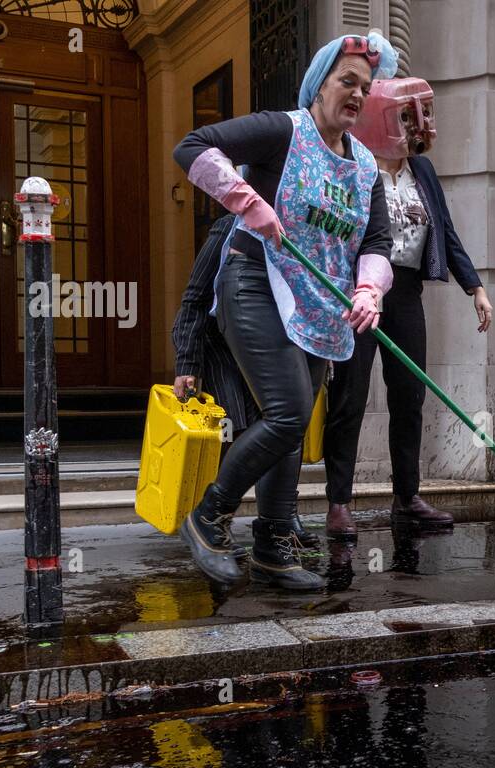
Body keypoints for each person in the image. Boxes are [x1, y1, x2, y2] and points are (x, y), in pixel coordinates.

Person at [173, 32, 398, 589]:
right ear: (320, 84)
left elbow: (377, 242)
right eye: (346, 81)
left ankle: (274, 547)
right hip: (255, 281)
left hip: (320, 304)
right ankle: (209, 515)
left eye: (364, 89)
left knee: (292, 429)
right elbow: (193, 146)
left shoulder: (366, 169)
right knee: (289, 411)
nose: (355, 94)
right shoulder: (283, 130)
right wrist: (248, 203)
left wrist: (369, 290)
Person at [323, 77, 493, 540]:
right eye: (404, 116)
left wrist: (473, 286)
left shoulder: (423, 172)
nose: (415, 126)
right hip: (358, 292)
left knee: (409, 398)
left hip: (406, 293)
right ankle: (339, 503)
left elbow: (446, 231)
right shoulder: (353, 165)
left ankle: (407, 497)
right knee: (349, 399)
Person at [170, 212, 320, 557]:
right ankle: (214, 525)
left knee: (283, 433)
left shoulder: (301, 230)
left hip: (272, 349)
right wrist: (187, 364)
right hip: (225, 352)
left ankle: (279, 521)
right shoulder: (230, 227)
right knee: (240, 434)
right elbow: (194, 298)